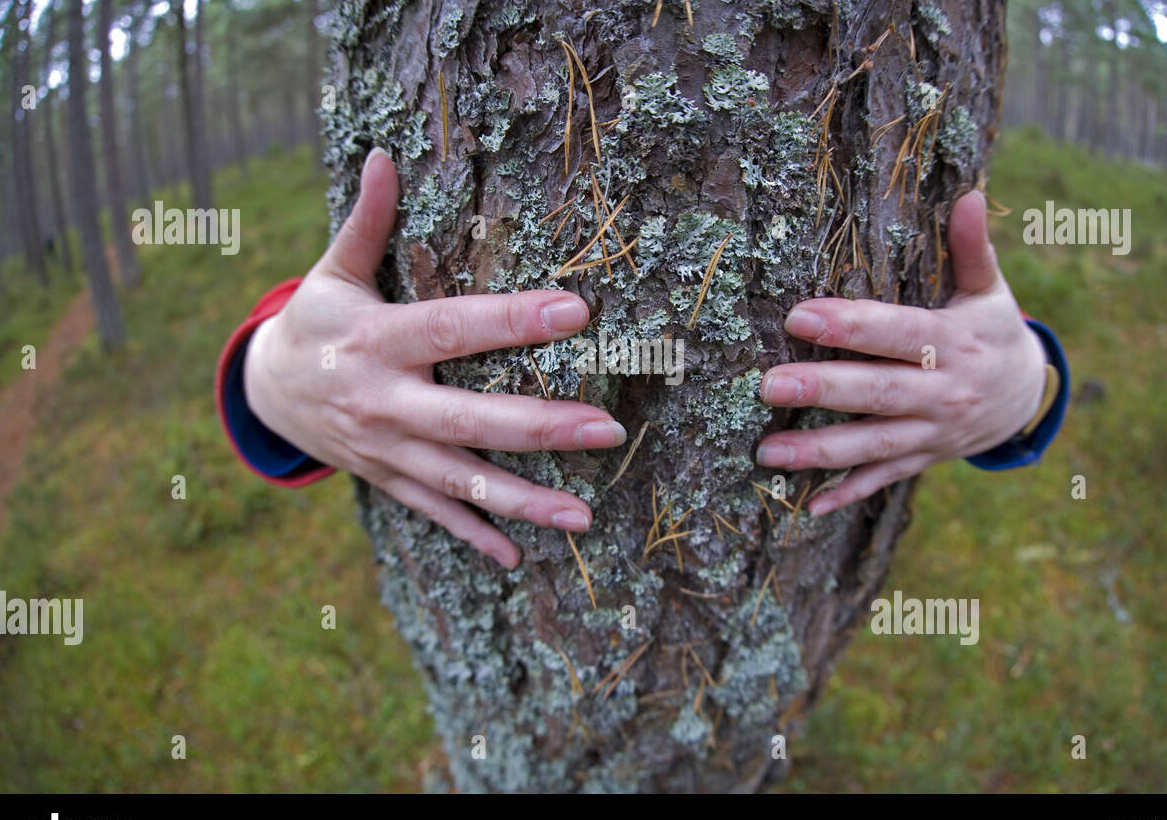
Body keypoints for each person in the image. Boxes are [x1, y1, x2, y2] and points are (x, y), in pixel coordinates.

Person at [216, 147, 1068, 569]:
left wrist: (1026, 381)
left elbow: (992, 351)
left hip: (822, 591)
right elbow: (307, 339)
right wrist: (273, 377)